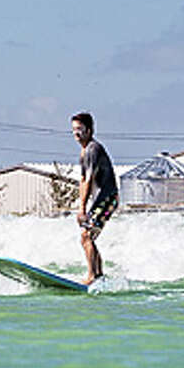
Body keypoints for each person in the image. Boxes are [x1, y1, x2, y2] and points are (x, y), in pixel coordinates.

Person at [72, 111, 118, 284]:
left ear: (89, 130)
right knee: (87, 236)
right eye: (74, 130)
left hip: (107, 200)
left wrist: (82, 209)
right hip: (102, 201)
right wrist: (82, 207)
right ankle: (98, 275)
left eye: (80, 129)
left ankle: (92, 276)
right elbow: (83, 180)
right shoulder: (84, 152)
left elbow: (88, 180)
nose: (76, 133)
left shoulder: (93, 149)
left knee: (86, 236)